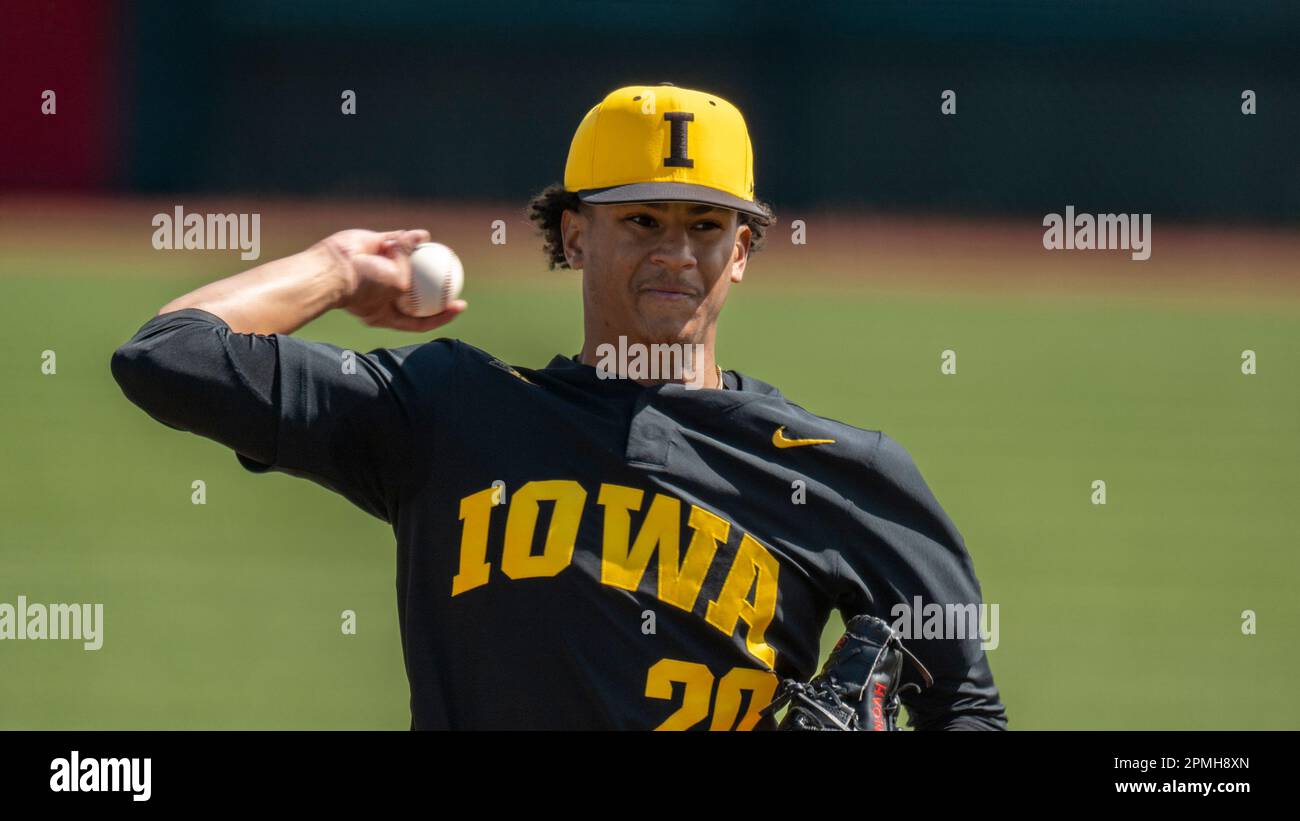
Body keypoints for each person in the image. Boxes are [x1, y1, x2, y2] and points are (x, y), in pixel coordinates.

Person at [111, 83, 1007, 730]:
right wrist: (339, 270)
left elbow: (966, 705)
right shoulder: (447, 414)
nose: (677, 253)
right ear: (575, 232)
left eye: (705, 225)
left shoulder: (835, 473)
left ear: (744, 251)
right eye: (642, 221)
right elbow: (168, 358)